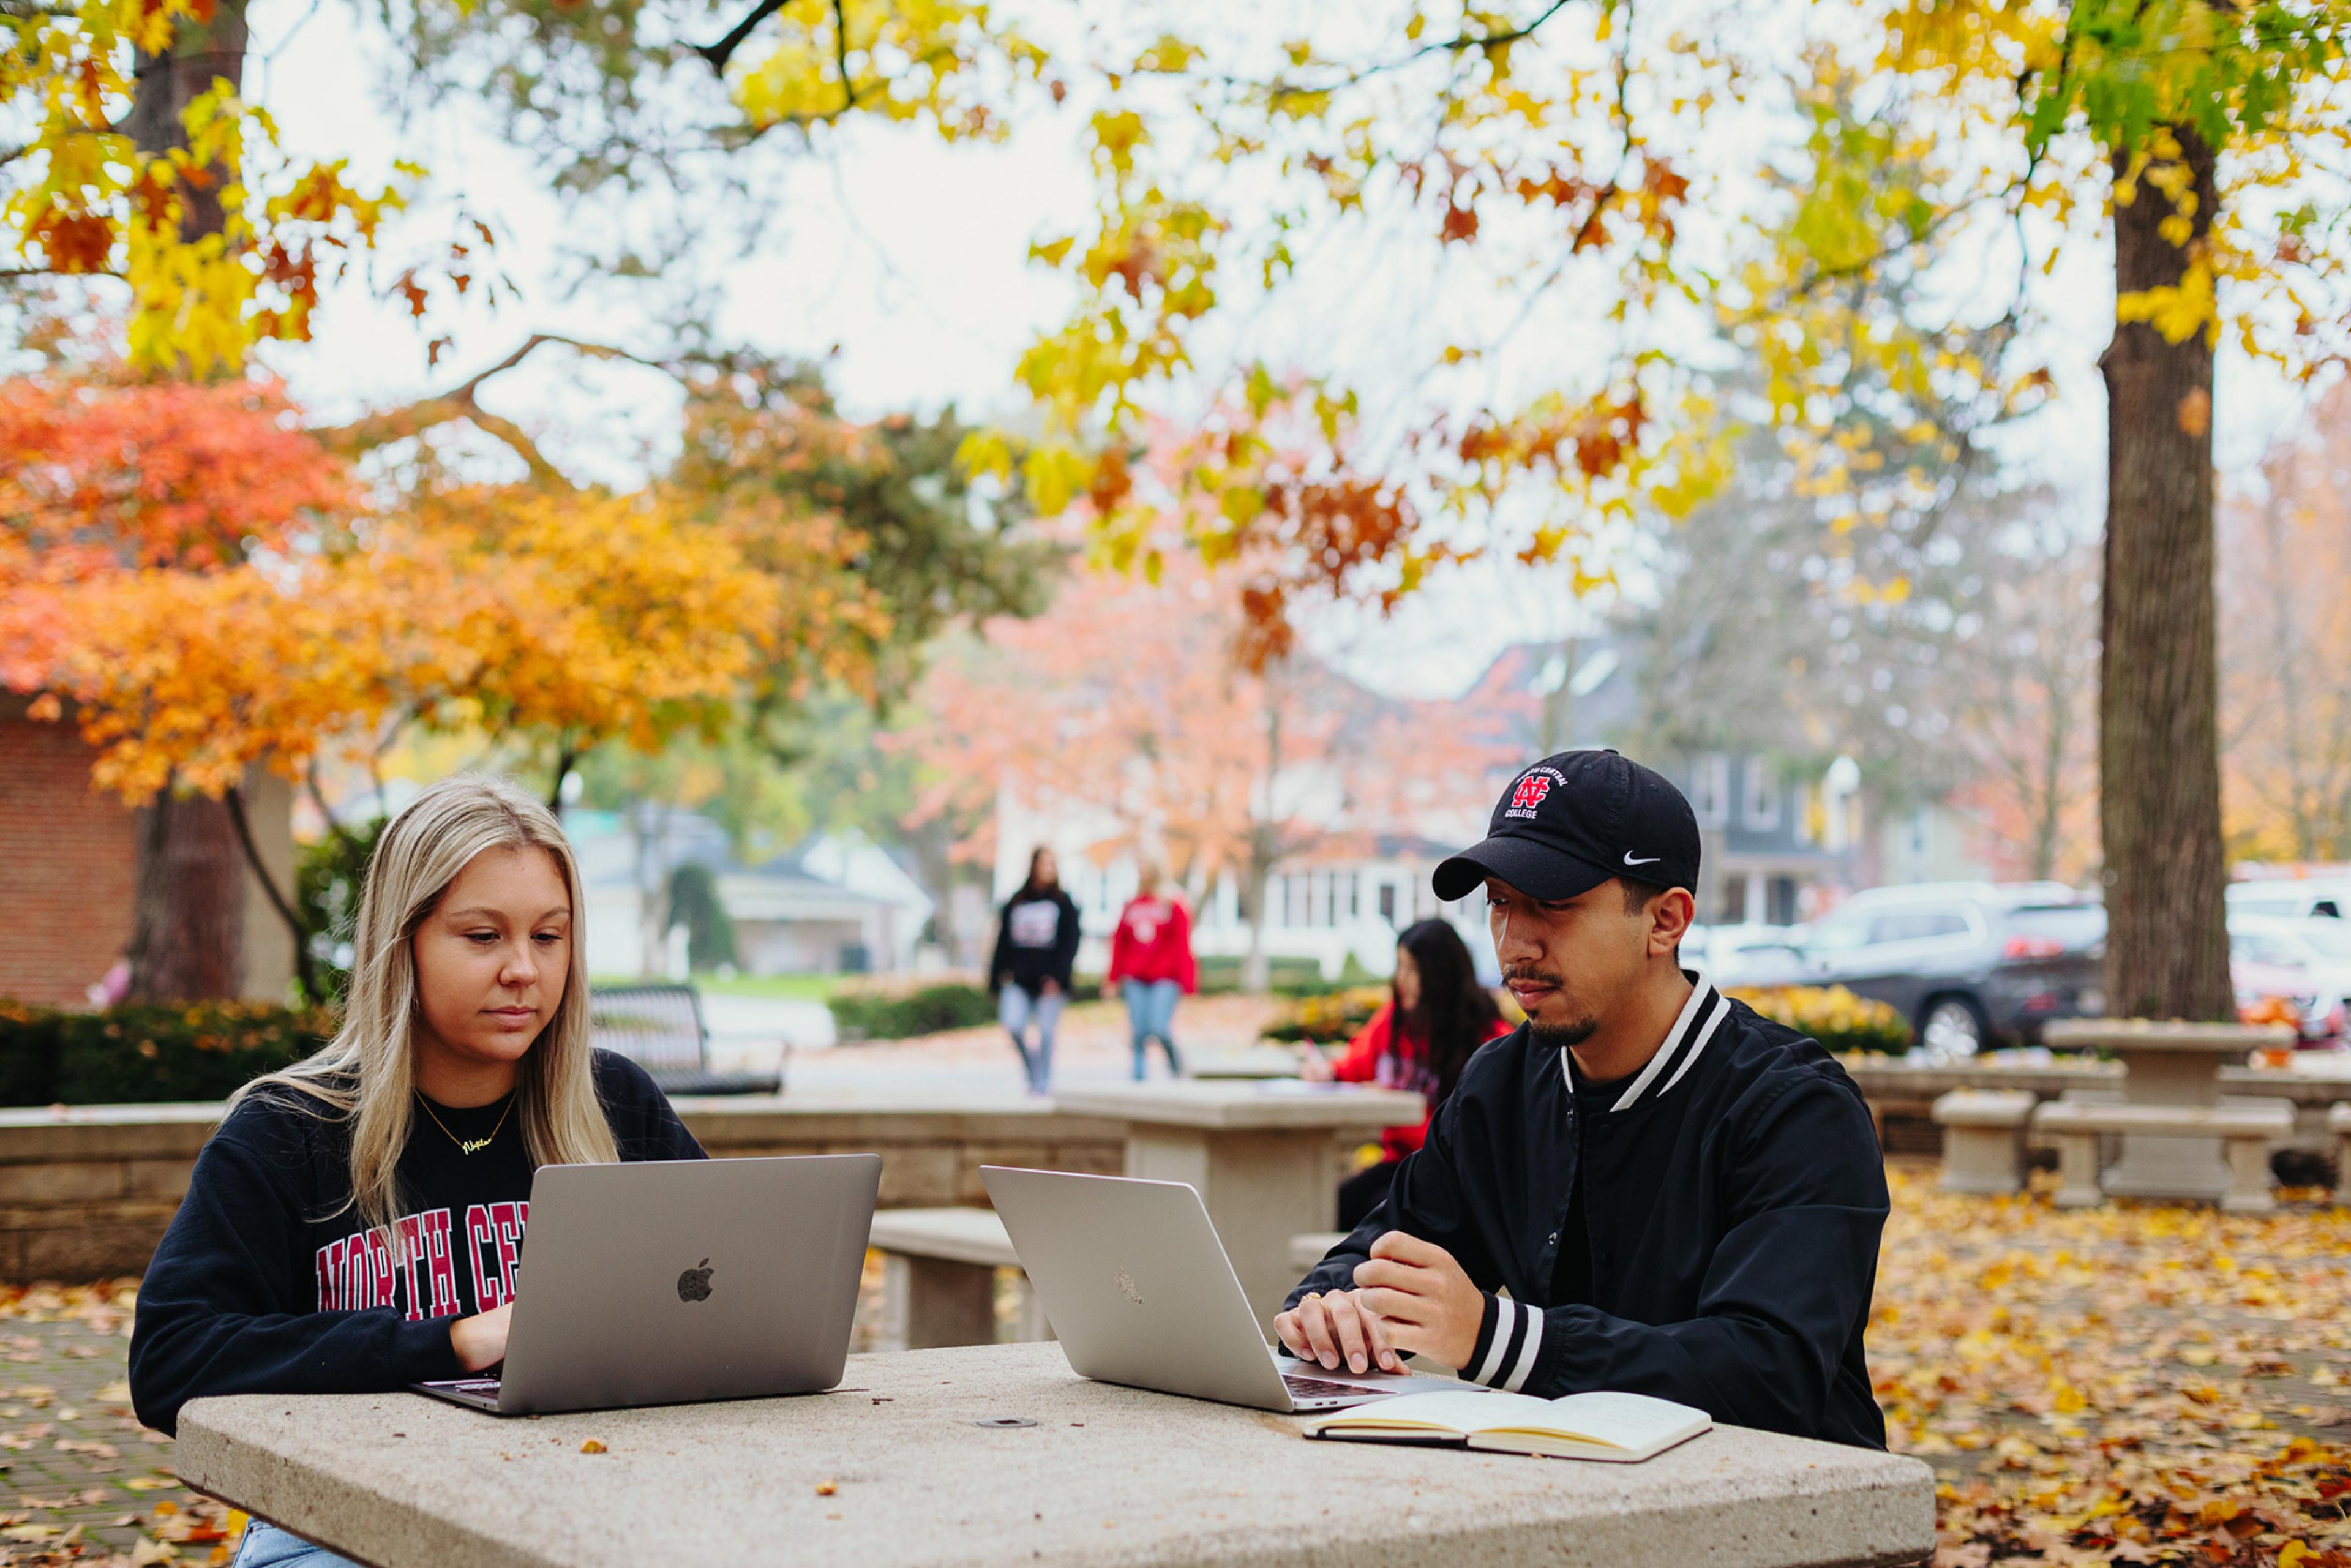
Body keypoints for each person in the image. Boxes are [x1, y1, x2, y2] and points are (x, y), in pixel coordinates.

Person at [129, 775, 704, 1568]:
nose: (523, 970)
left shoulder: (616, 1106)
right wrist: (458, 1340)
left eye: (548, 936)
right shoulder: (289, 1131)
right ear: (401, 943)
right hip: (336, 1530)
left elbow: (717, 1305)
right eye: (482, 936)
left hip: (582, 1509)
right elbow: (171, 1360)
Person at [1274, 749, 1889, 1450]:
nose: (1514, 942)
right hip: (1566, 1496)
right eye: (1500, 902)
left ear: (1666, 921)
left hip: (1790, 1520)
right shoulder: (1499, 1085)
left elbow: (1767, 1372)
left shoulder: (1797, 1110)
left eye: (1554, 904)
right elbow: (1384, 1247)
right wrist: (1328, 1310)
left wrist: (1496, 1335)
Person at [1297, 920, 1512, 1229]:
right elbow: (1352, 1068)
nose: (1401, 980)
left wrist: (1397, 1109)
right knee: (1333, 1205)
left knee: (1377, 1213)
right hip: (1399, 1164)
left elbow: (1478, 1140)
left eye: (1412, 970)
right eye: (1399, 967)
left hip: (1451, 1178)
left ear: (1440, 974)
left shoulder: (1489, 1042)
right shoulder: (1394, 1021)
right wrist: (1326, 1073)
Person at [988, 847, 1081, 1095]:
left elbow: (1070, 944)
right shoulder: (1017, 902)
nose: (1047, 869)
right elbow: (1003, 943)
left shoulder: (1063, 902)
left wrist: (1059, 977)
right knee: (1013, 1025)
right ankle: (1033, 1070)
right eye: (1043, 864)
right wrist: (995, 980)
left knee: (1047, 1033)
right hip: (1019, 979)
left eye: (1052, 864)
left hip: (1051, 983)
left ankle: (1043, 1084)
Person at [1103, 864, 1196, 1079]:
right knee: (1138, 1031)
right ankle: (1138, 1079)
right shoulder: (1131, 905)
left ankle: (1176, 1066)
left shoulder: (1173, 904)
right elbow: (1119, 943)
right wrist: (1112, 978)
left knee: (1159, 1028)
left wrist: (1188, 983)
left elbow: (1183, 946)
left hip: (1165, 977)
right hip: (1135, 977)